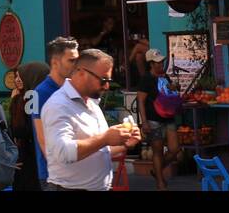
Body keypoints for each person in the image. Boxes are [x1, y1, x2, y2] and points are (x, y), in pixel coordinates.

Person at [41, 48, 140, 191]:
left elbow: (100, 151)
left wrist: (125, 144)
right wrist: (105, 138)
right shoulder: (58, 105)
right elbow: (63, 153)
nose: (106, 86)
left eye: (109, 81)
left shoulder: (91, 102)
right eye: (103, 80)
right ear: (81, 73)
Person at [30, 36, 78, 187]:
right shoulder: (40, 92)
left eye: (77, 59)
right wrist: (58, 171)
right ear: (55, 62)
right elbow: (42, 137)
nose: (76, 65)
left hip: (75, 170)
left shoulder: (73, 88)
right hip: (53, 175)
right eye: (71, 60)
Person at [136, 48, 181, 191]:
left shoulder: (164, 76)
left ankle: (157, 171)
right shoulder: (146, 79)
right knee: (158, 151)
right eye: (157, 62)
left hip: (168, 117)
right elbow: (140, 101)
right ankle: (160, 182)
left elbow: (167, 91)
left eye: (161, 61)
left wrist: (173, 87)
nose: (160, 64)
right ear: (151, 64)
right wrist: (144, 122)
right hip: (153, 119)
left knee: (174, 149)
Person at [9, 61, 47, 192]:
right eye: (16, 76)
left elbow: (21, 131)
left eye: (22, 77)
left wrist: (14, 103)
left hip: (34, 160)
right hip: (26, 159)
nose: (18, 80)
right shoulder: (24, 98)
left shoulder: (34, 100)